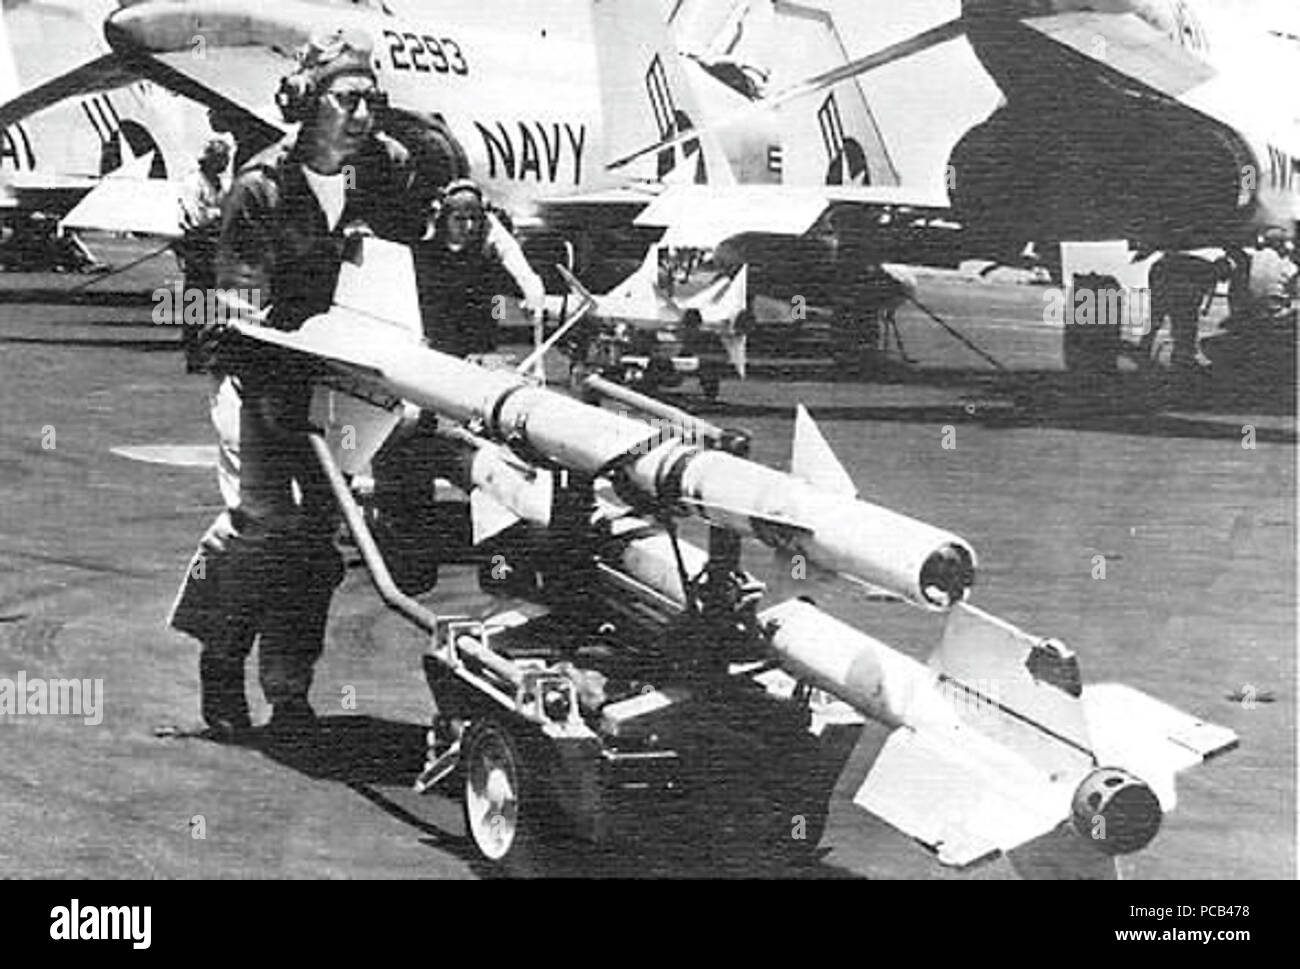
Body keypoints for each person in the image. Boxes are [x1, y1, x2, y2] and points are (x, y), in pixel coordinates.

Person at [167, 27, 419, 744]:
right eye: (349, 99)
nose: (364, 114)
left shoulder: (383, 172)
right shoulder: (260, 188)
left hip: (336, 377)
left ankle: (288, 691)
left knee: (315, 544)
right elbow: (241, 314)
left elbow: (411, 240)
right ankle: (221, 668)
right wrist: (283, 384)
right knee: (265, 526)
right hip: (257, 371)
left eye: (373, 100)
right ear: (309, 102)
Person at [368, 179, 546, 594]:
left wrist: (489, 354)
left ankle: (500, 571)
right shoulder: (420, 258)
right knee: (405, 459)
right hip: (424, 374)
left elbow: (493, 315)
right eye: (458, 218)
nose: (465, 226)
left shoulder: (485, 267)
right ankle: (406, 565)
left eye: (472, 219)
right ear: (443, 219)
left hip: (469, 377)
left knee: (500, 470)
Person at [175, 138, 231, 373]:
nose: (224, 164)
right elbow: (197, 217)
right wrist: (219, 215)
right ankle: (193, 354)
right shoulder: (193, 183)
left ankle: (209, 350)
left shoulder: (221, 184)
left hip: (216, 246)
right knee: (196, 299)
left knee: (214, 300)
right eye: (220, 159)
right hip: (199, 246)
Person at [1142, 252, 1219, 372]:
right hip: (1165, 275)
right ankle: (1182, 357)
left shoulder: (1206, 267)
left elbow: (1198, 298)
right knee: (1164, 317)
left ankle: (1146, 351)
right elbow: (1196, 302)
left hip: (1161, 271)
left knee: (1158, 316)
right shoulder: (1209, 271)